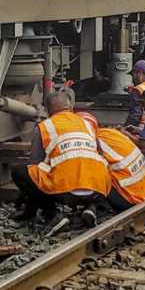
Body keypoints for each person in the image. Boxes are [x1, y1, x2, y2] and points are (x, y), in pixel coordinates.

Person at [11, 92, 111, 237]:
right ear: (70, 108)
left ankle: (53, 215)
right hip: (96, 189)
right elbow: (99, 156)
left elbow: (34, 168)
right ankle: (90, 206)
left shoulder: (44, 127)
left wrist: (29, 210)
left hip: (66, 193)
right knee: (93, 164)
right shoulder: (87, 124)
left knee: (21, 172)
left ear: (48, 112)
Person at [77, 113, 145, 213]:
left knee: (88, 177)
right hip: (141, 192)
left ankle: (102, 208)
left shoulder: (94, 145)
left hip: (128, 199)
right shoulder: (110, 133)